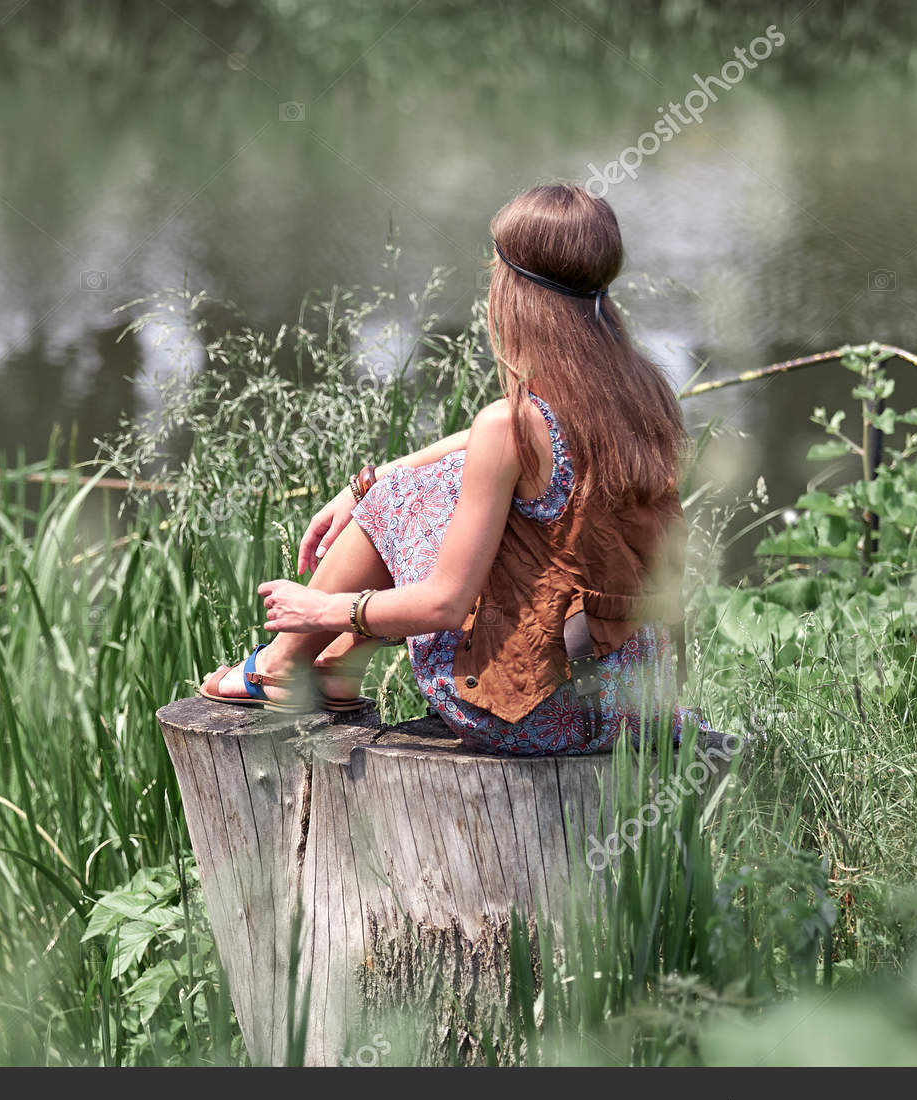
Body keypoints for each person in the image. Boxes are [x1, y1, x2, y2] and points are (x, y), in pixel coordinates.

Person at [200, 182, 699, 755]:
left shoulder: (508, 427)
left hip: (537, 717)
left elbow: (445, 606)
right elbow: (484, 443)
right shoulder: (645, 392)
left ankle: (285, 662)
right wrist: (370, 477)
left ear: (512, 289)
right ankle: (335, 666)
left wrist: (323, 607)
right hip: (632, 707)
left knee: (403, 497)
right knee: (415, 483)